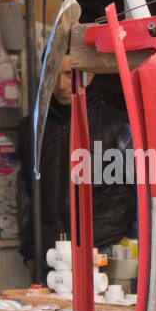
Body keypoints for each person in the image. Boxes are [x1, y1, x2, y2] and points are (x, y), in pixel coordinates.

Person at [16, 58, 137, 279]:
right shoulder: (31, 129)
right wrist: (29, 250)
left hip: (105, 251)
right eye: (53, 75)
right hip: (51, 256)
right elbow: (27, 194)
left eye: (69, 75)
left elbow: (143, 191)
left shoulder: (116, 124)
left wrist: (132, 244)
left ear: (89, 75)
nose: (60, 85)